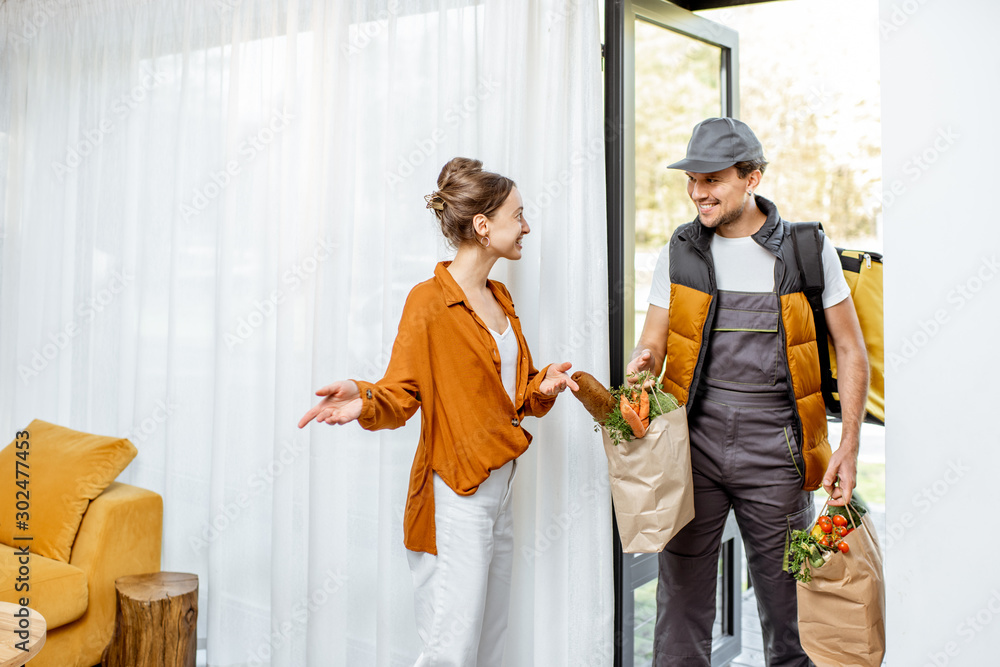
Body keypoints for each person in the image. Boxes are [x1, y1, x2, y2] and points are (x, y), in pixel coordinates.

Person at [298, 157, 579, 667]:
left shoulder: (500, 298)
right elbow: (401, 392)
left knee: (491, 638)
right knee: (451, 647)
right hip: (456, 497)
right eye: (519, 215)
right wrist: (362, 397)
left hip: (500, 489)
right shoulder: (428, 303)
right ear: (482, 225)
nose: (527, 226)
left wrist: (546, 385)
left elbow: (512, 395)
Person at [627, 118, 869, 667]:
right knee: (680, 610)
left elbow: (851, 351)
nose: (697, 192)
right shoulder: (682, 248)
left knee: (792, 612)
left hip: (779, 452)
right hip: (695, 448)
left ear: (752, 178)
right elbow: (652, 341)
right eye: (692, 179)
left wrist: (848, 445)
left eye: (712, 180)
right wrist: (641, 371)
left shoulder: (807, 248)